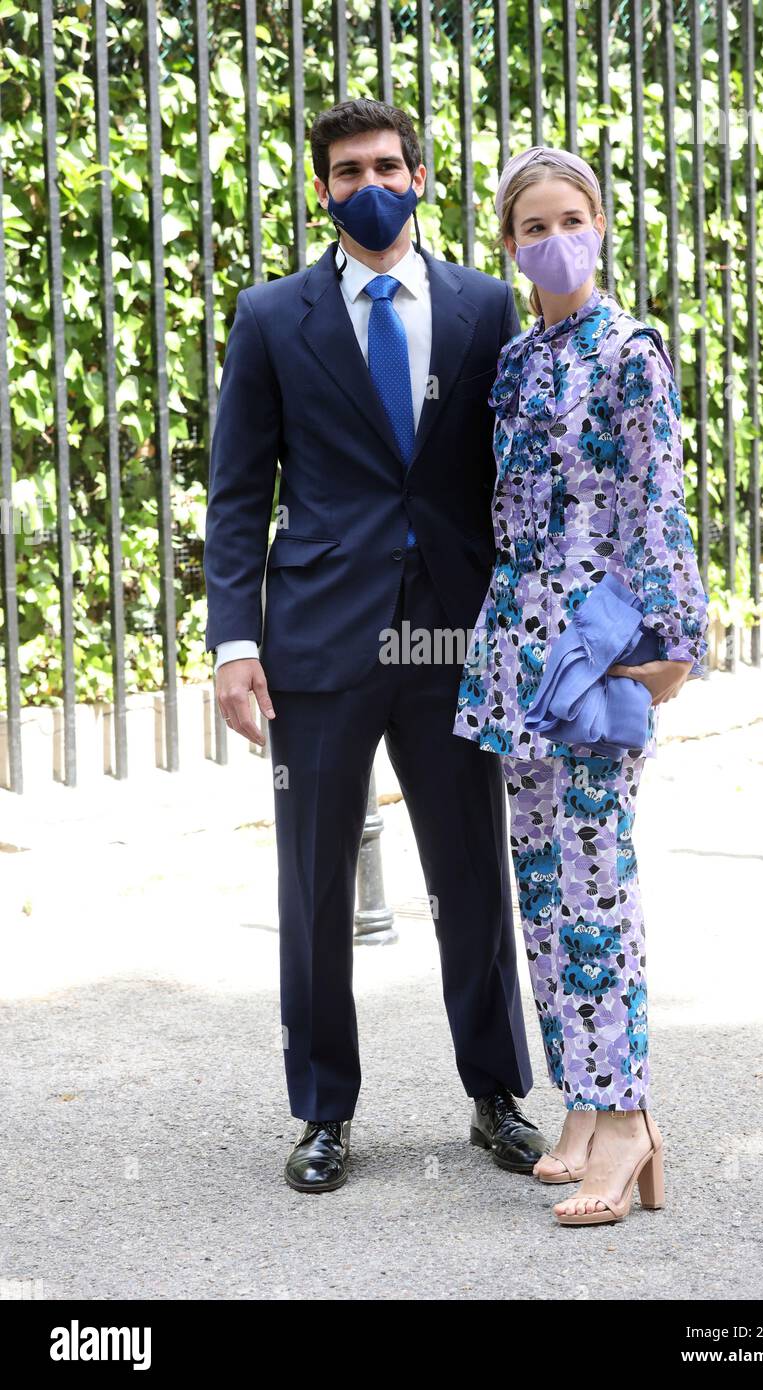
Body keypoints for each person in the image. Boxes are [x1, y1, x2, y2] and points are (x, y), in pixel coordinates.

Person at [203, 100, 550, 1192]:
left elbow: (522, 476)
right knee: (311, 888)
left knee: (469, 874)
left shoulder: (487, 307)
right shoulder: (269, 317)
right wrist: (230, 640)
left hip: (453, 633)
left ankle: (495, 1095)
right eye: (346, 169)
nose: (368, 183)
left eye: (386, 165)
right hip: (318, 640)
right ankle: (322, 1113)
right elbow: (234, 494)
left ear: (420, 176)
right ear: (321, 189)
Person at [452, 146, 709, 1226]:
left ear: (597, 223)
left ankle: (626, 1119)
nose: (552, 238)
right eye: (529, 225)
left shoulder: (628, 351)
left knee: (599, 889)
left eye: (570, 216)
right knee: (546, 894)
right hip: (519, 644)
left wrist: (675, 645)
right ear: (508, 247)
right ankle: (578, 1103)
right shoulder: (514, 363)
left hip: (596, 646)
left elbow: (656, 506)